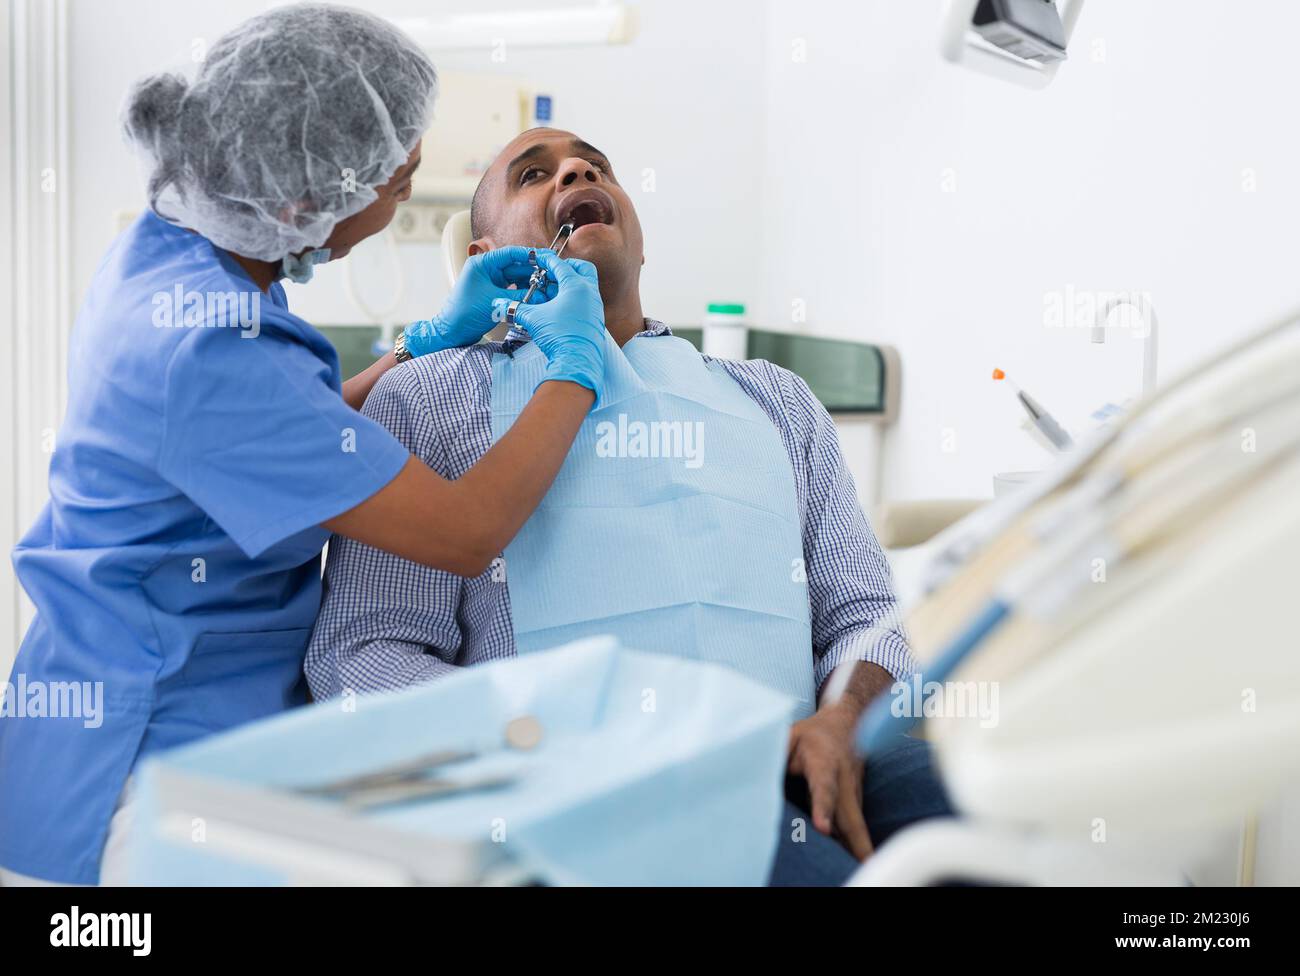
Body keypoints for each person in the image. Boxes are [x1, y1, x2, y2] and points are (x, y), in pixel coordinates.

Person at [0, 5, 605, 886]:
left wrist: (419, 342)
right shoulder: (206, 344)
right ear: (305, 199)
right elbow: (467, 533)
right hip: (131, 781)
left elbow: (293, 435)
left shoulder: (183, 254)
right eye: (399, 183)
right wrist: (577, 370)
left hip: (169, 728)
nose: (405, 192)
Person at [306, 127, 953, 885]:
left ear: (640, 246)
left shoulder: (776, 399)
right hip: (600, 788)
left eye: (593, 166)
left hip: (809, 752)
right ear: (485, 260)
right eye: (532, 175)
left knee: (1005, 822)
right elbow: (362, 656)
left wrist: (841, 718)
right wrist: (566, 740)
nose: (576, 170)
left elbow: (866, 615)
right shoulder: (428, 397)